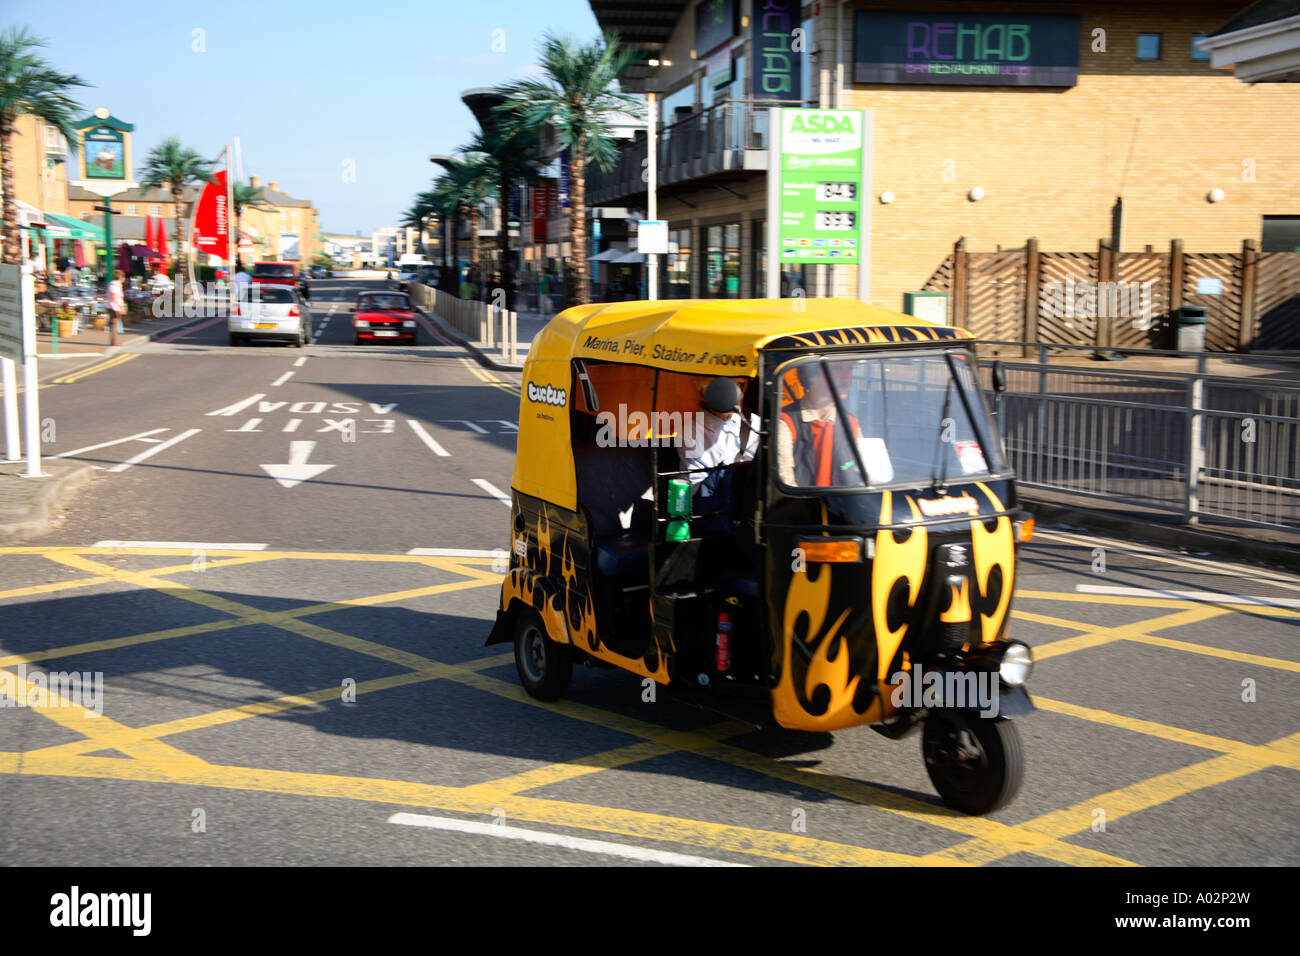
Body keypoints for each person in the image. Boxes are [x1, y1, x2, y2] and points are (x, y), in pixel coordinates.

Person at [678, 377, 760, 527]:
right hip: (709, 512)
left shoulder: (754, 424)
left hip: (747, 512)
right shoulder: (691, 429)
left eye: (739, 385)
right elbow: (698, 482)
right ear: (703, 391)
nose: (735, 392)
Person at [778, 365, 863, 487]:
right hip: (804, 504)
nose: (846, 376)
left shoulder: (850, 423)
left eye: (850, 369)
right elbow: (786, 485)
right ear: (811, 375)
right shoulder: (786, 422)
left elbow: (864, 475)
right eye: (836, 368)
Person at [107, 269, 126, 345]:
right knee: (115, 325)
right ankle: (114, 342)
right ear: (120, 277)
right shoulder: (115, 286)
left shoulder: (113, 284)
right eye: (123, 277)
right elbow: (115, 297)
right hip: (114, 308)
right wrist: (121, 308)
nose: (124, 279)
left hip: (112, 306)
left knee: (114, 324)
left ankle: (113, 341)